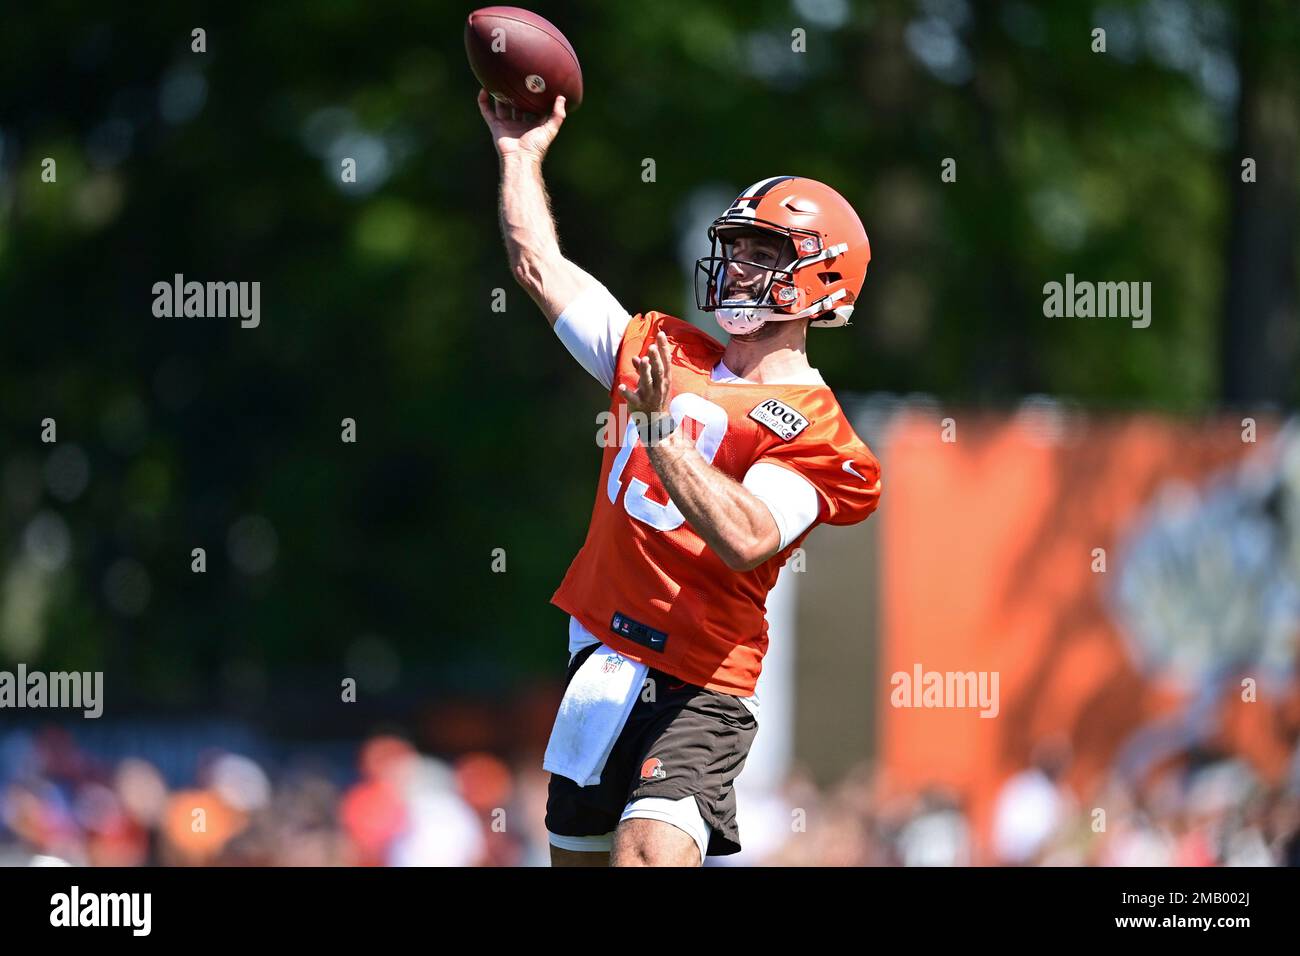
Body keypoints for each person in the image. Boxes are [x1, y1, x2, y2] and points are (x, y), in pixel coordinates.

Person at [478, 90, 882, 867]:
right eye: (737, 248)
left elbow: (748, 535)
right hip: (599, 657)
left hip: (701, 684)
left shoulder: (821, 430)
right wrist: (520, 156)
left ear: (823, 281)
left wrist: (663, 435)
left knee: (646, 857)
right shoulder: (661, 346)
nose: (738, 266)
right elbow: (538, 265)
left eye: (766, 253)